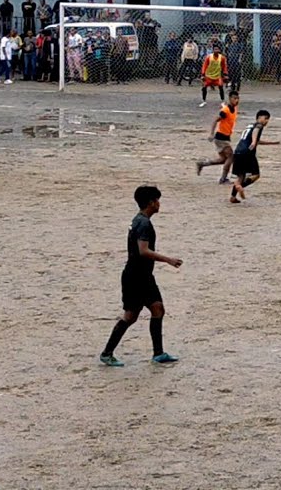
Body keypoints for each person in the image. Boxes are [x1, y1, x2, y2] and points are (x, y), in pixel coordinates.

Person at [99, 185, 183, 366]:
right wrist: (168, 259)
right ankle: (107, 353)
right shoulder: (144, 223)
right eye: (157, 200)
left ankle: (158, 353)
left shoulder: (138, 220)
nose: (159, 204)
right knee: (130, 316)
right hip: (136, 277)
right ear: (151, 202)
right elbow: (143, 251)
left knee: (157, 309)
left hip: (142, 276)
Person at [230, 110, 278, 203]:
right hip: (247, 152)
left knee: (241, 176)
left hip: (238, 152)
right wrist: (253, 141)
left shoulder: (249, 126)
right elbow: (256, 132)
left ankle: (233, 197)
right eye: (266, 118)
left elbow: (256, 140)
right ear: (259, 118)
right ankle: (240, 186)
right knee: (256, 175)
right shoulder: (258, 125)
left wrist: (271, 143)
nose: (267, 121)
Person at [196, 90, 239, 184]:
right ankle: (223, 179)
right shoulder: (225, 111)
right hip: (221, 137)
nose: (236, 100)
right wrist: (211, 133)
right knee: (231, 157)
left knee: (223, 160)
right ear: (230, 99)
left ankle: (202, 164)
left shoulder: (234, 109)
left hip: (226, 137)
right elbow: (215, 120)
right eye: (234, 98)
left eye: (237, 98)